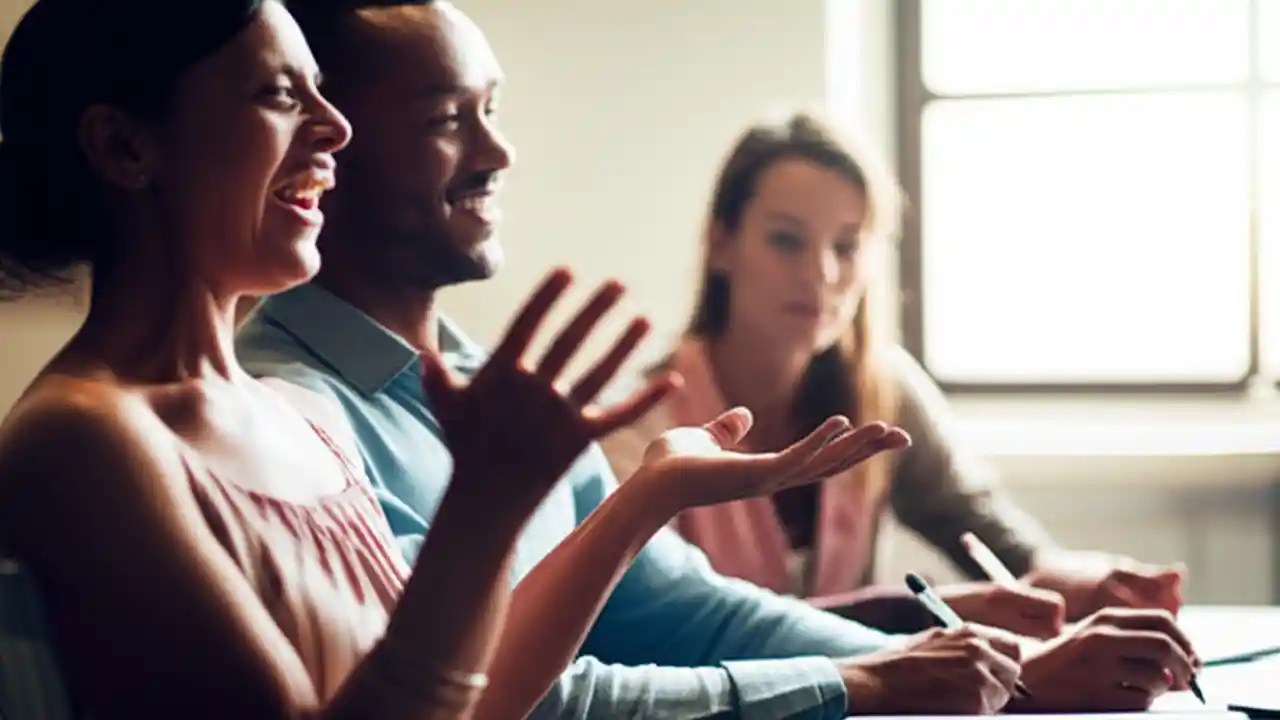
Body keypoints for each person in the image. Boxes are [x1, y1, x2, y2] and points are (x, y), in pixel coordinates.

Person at [238, 1, 1202, 716]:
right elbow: (506, 696)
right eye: (449, 118)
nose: (500, 154)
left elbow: (690, 610)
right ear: (324, 148)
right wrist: (860, 681)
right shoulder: (297, 414)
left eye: (492, 109)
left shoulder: (491, 386)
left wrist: (996, 671)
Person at [0, 1, 909, 717]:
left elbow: (479, 700)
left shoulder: (298, 417)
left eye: (324, 93)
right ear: (124, 147)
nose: (336, 131)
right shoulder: (84, 440)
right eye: (280, 96)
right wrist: (487, 504)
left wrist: (644, 496)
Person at [601, 111, 1187, 638]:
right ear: (720, 244)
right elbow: (675, 627)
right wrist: (918, 612)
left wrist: (1077, 582)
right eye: (786, 241)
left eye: (848, 246)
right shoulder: (640, 428)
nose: (822, 273)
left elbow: (980, 528)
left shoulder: (881, 388)